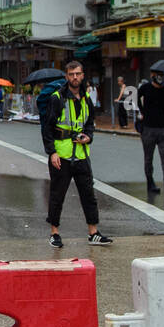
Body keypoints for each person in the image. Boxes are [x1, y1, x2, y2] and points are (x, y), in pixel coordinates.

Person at [39, 61, 112, 248]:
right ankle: (54, 233)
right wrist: (52, 152)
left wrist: (89, 137)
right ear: (66, 76)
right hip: (61, 156)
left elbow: (90, 123)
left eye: (78, 74)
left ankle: (93, 232)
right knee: (57, 195)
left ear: (82, 75)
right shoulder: (57, 98)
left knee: (88, 195)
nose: (75, 77)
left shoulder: (87, 98)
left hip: (81, 155)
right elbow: (47, 127)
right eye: (71, 74)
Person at [137, 69, 164, 193]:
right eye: (156, 75)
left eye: (161, 75)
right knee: (148, 158)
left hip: (163, 128)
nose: (159, 77)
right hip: (148, 128)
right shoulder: (145, 88)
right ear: (151, 75)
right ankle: (150, 183)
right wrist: (143, 112)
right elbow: (136, 99)